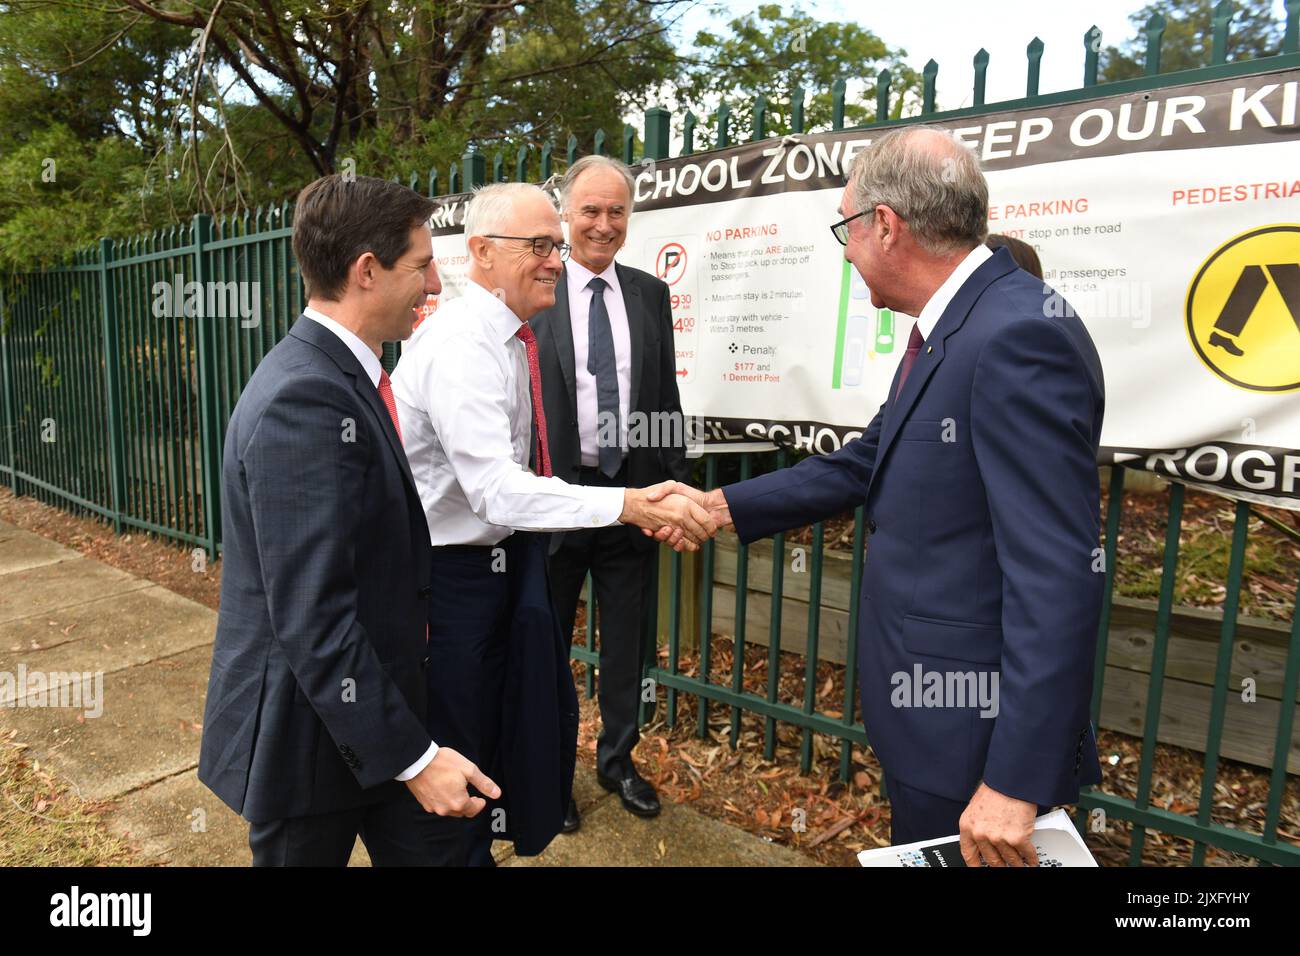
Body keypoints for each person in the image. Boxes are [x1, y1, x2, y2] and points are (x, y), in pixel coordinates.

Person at [652, 127, 1106, 866]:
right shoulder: (957, 326)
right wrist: (719, 507)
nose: (846, 249)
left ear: (887, 226)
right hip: (933, 720)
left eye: (848, 228)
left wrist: (1014, 782)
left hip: (973, 737)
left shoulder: (1015, 336)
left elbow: (1058, 575)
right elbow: (869, 460)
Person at [390, 181, 714, 865]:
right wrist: (627, 502)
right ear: (480, 251)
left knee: (515, 716)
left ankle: (575, 780)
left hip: (514, 548)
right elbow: (496, 491)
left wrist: (649, 493)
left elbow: (664, 402)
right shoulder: (463, 345)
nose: (555, 260)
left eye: (554, 247)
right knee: (463, 758)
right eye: (541, 245)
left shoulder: (503, 334)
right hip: (465, 570)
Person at [198, 174, 498, 867]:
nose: (433, 288)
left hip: (379, 714)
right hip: (309, 746)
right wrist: (417, 759)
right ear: (367, 271)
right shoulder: (306, 399)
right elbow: (313, 617)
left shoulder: (343, 374)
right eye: (422, 266)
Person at [528, 156, 693, 831]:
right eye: (590, 211)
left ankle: (618, 760)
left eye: (616, 211)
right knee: (546, 647)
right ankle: (551, 773)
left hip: (634, 496)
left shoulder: (650, 294)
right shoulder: (536, 292)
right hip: (556, 501)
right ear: (565, 215)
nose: (603, 224)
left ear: (630, 217)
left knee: (627, 643)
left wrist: (673, 484)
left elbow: (664, 399)